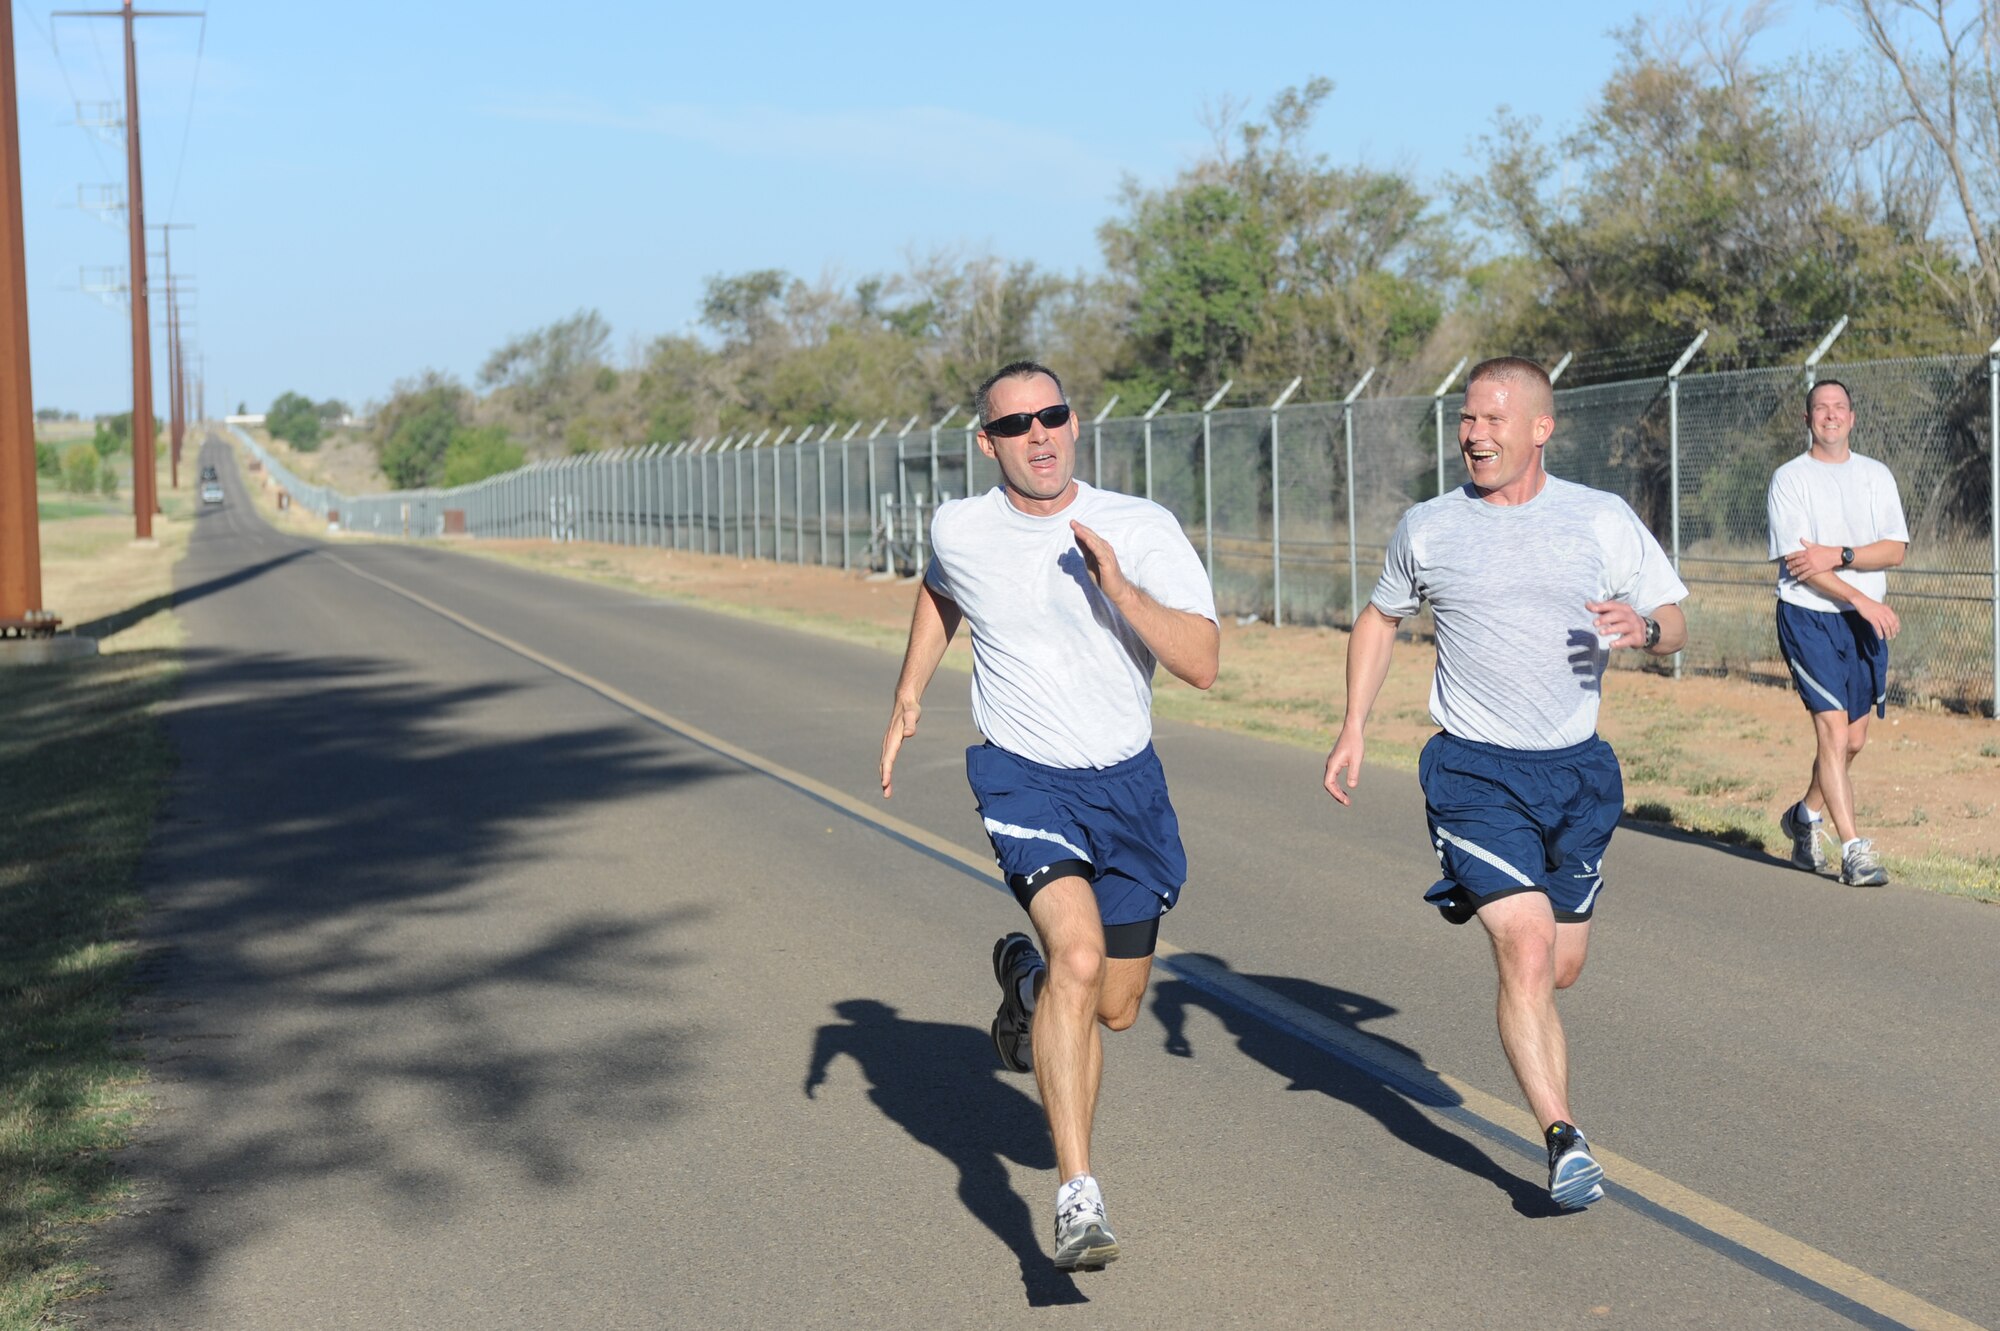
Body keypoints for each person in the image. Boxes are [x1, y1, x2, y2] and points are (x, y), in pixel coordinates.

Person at [1322, 356, 1687, 1211]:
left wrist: (1646, 627)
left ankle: (1493, 886)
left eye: (1491, 420)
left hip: (1578, 774)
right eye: (1466, 420)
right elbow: (1381, 616)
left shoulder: (1600, 519)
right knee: (1523, 950)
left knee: (1560, 966)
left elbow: (1675, 617)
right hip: (1473, 768)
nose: (1474, 434)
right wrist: (1354, 723)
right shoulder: (1430, 526)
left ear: (1539, 428)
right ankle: (1563, 1137)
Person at [879, 359, 1219, 1271]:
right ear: (987, 441)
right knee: (1082, 955)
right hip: (1023, 776)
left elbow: (1204, 663)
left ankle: (1025, 986)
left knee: (1113, 1003)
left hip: (1129, 788)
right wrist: (911, 690)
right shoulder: (963, 526)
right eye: (1015, 424)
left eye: (1052, 416)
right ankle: (1077, 1196)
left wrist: (1122, 589)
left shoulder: (1139, 528)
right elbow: (941, 587)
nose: (1038, 435)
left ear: (1075, 425)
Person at [1767, 379, 1908, 887]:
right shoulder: (1790, 479)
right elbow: (1801, 566)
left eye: (1839, 407)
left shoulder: (1876, 476)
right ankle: (1854, 850)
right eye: (1820, 408)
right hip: (1809, 615)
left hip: (1861, 621)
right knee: (1830, 728)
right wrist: (1859, 594)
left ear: (1852, 417)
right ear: (1807, 420)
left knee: (1852, 739)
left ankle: (1804, 817)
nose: (1830, 415)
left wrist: (1842, 554)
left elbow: (1895, 549)